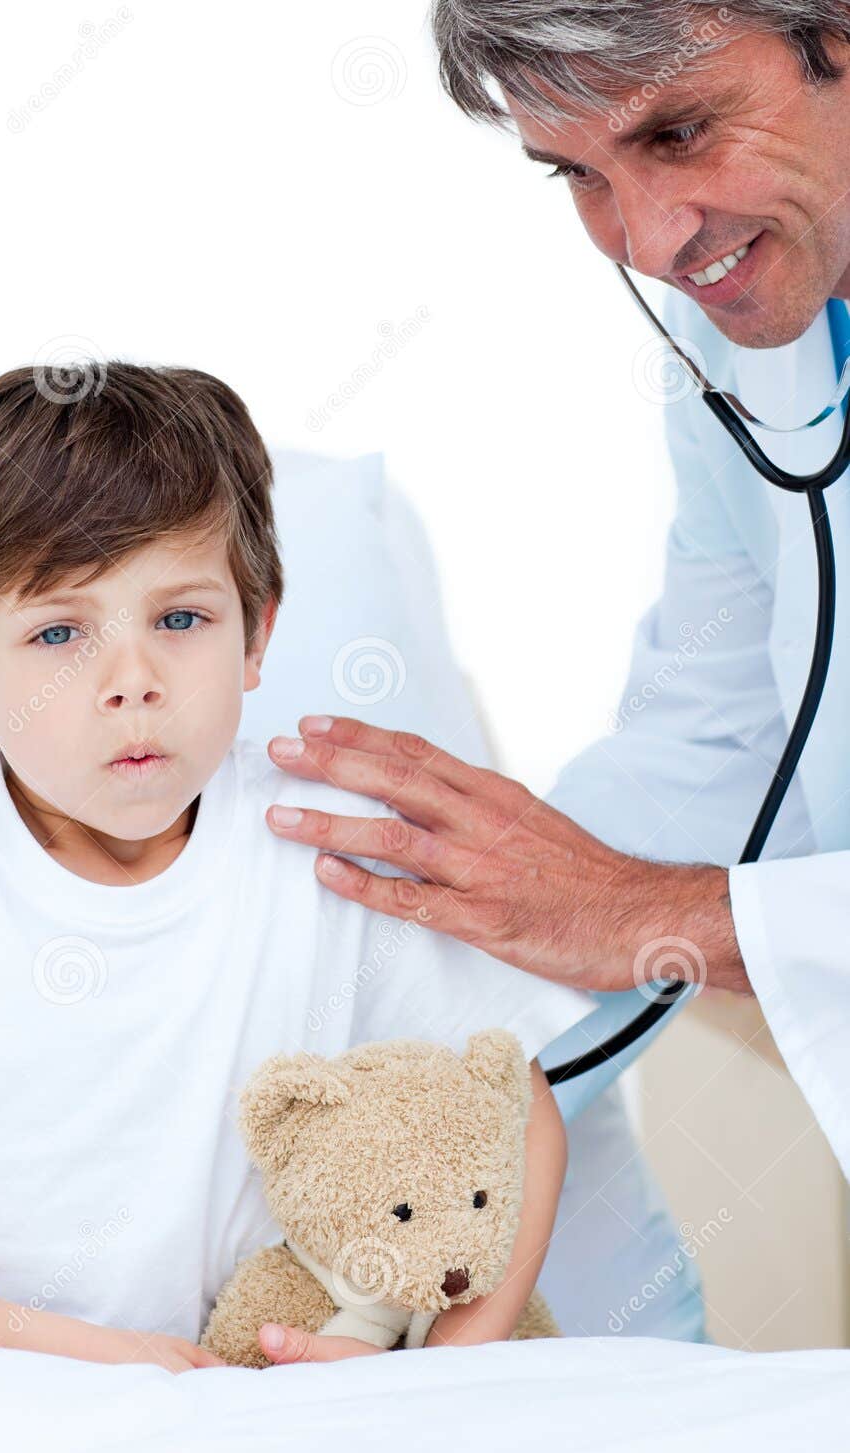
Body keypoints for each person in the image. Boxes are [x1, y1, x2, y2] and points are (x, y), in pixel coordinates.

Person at [0, 362, 593, 1372]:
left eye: (179, 620)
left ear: (256, 632)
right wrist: (88, 1358)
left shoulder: (323, 845)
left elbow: (512, 1109)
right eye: (59, 633)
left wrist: (450, 1363)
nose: (132, 682)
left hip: (274, 1394)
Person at [264, 3, 850, 1190]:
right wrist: (400, 1061)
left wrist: (646, 912)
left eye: (680, 133)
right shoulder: (753, 345)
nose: (648, 238)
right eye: (578, 174)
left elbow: (641, 886)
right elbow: (722, 745)